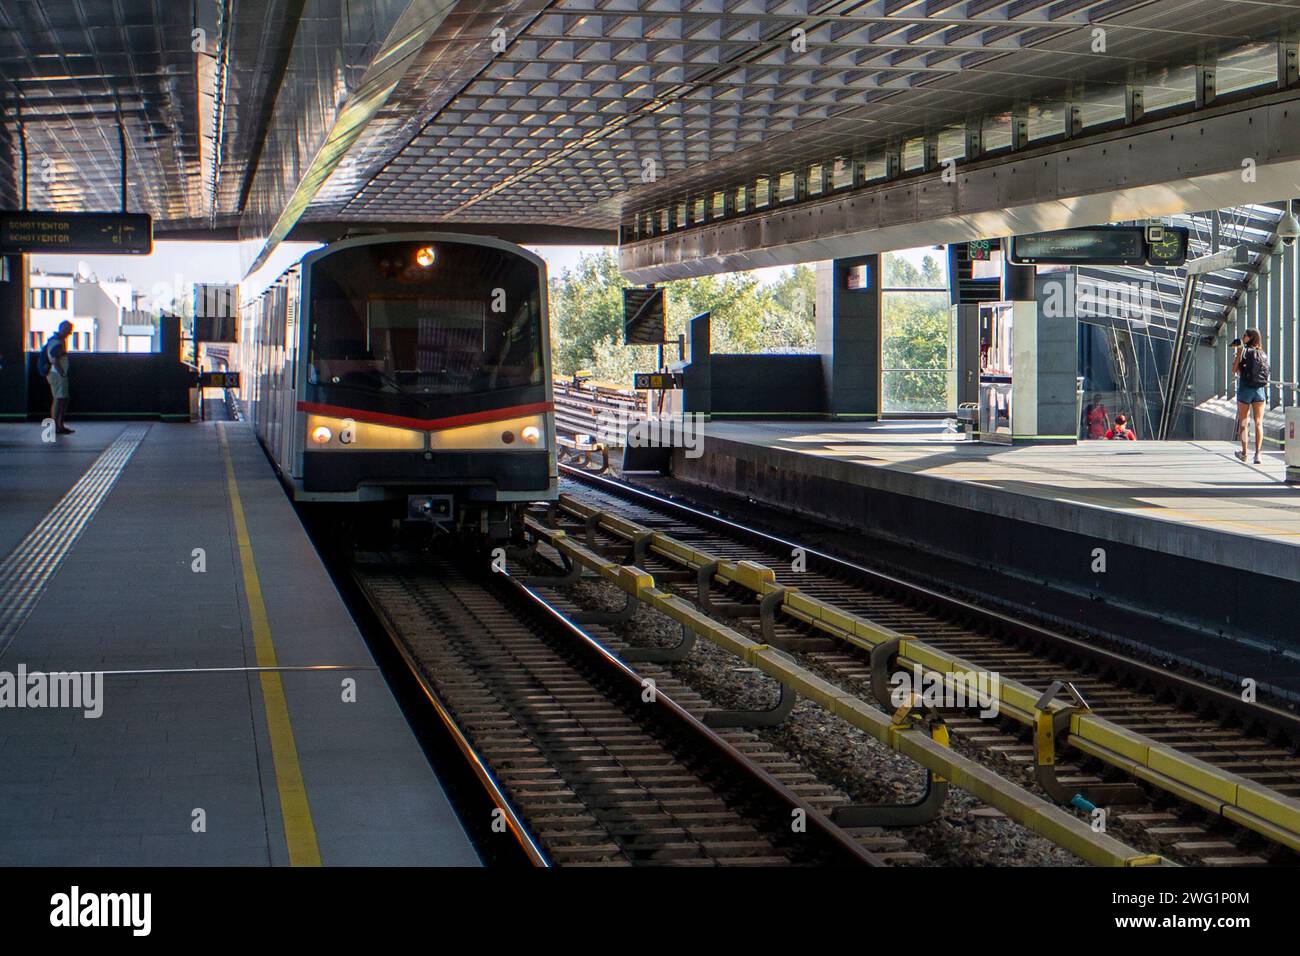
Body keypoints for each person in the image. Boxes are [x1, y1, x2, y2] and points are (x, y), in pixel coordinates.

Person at [1232, 328, 1269, 464]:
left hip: (1245, 389)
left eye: (1245, 335)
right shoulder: (1262, 353)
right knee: (1258, 422)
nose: (1243, 337)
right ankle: (1258, 454)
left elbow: (1234, 370)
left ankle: (1244, 453)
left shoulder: (1244, 351)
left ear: (1250, 337)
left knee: (1243, 422)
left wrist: (1238, 354)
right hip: (1259, 390)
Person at [40, 320, 75, 435]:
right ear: (63, 329)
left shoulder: (57, 341)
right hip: (57, 374)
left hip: (57, 374)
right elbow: (53, 359)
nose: (70, 333)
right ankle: (56, 426)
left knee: (62, 398)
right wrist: (62, 372)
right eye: (69, 330)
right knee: (59, 398)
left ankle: (59, 425)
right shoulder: (57, 342)